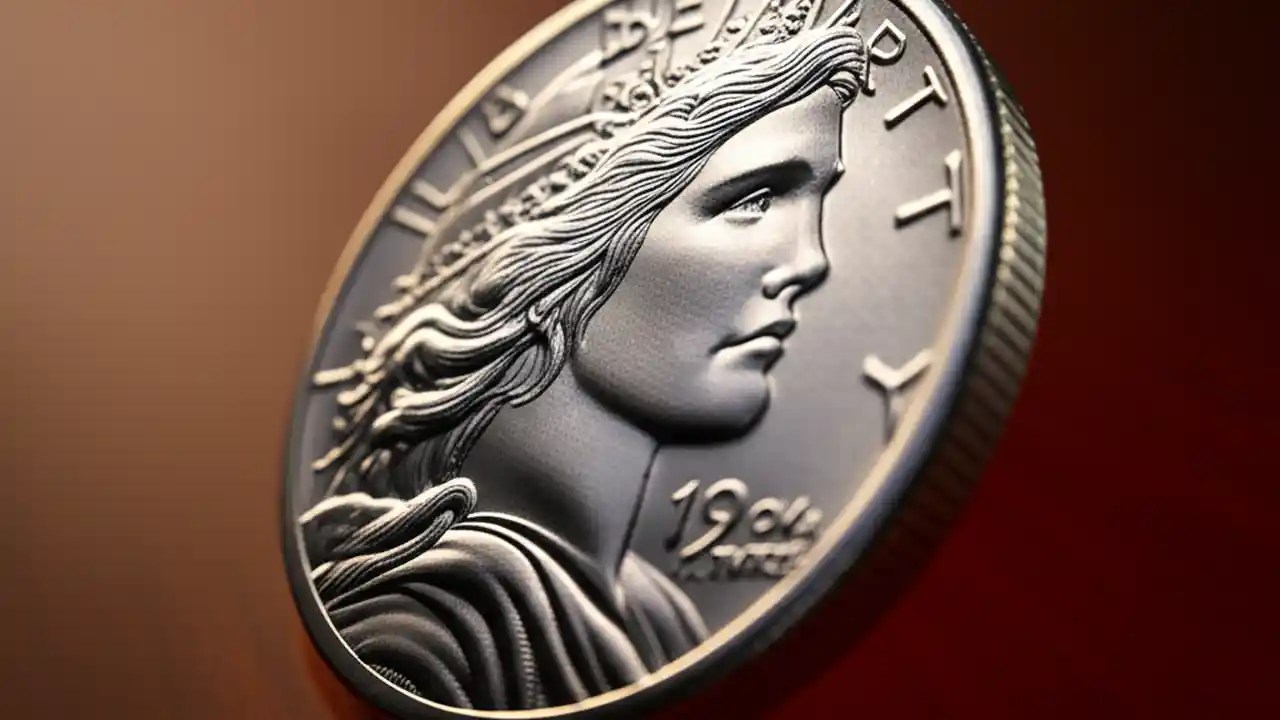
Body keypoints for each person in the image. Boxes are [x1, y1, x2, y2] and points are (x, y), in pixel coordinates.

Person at [300, 7, 869, 711]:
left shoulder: (653, 615)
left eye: (816, 200)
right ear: (558, 260)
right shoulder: (425, 637)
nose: (811, 261)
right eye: (752, 200)